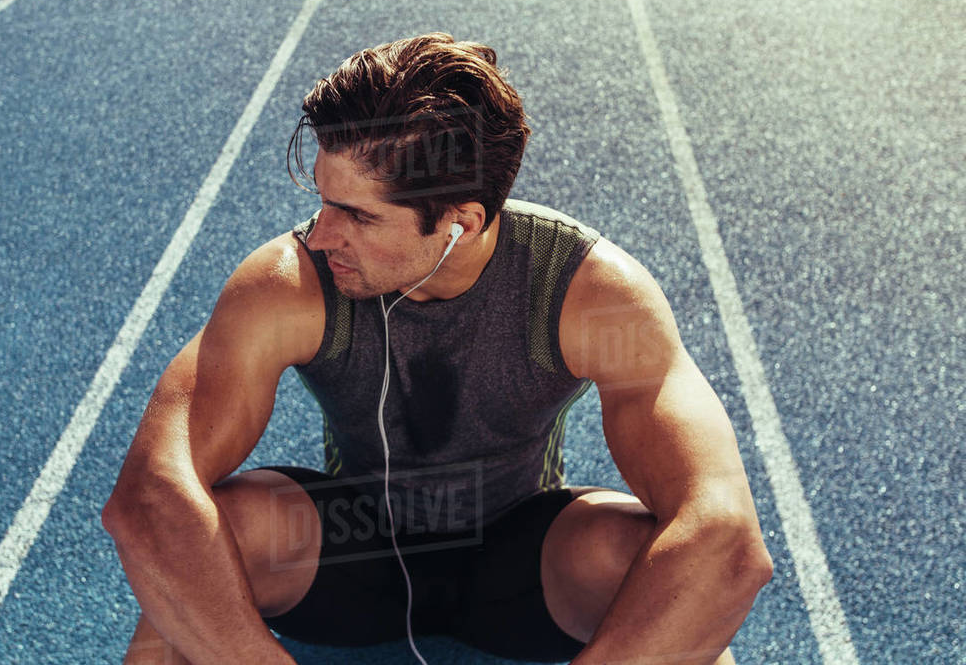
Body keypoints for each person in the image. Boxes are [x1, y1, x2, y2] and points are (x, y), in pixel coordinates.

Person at [102, 33, 773, 664]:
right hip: (352, 545)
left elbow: (726, 538)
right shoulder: (288, 284)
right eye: (326, 201)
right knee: (199, 538)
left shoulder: (586, 294)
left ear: (461, 223)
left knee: (677, 577)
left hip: (524, 559)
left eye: (358, 215)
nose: (322, 235)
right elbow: (149, 498)